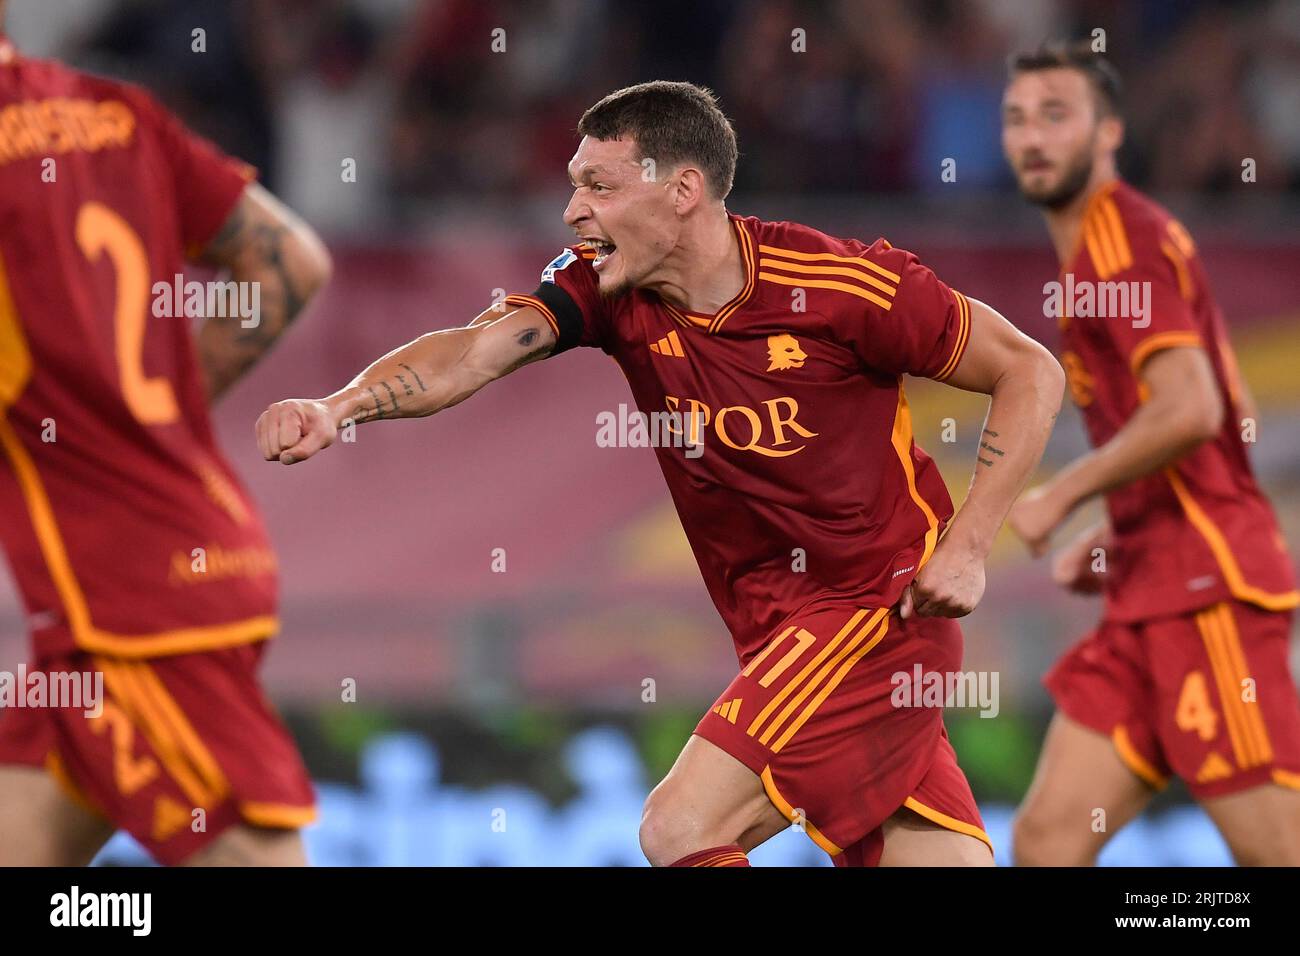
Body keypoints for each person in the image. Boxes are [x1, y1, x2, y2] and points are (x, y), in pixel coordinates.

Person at [258, 80, 1063, 867]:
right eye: (575, 187)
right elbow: (470, 351)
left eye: (598, 186)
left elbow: (1030, 372)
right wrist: (342, 407)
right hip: (776, 637)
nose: (575, 211)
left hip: (875, 612)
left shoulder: (842, 286)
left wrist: (967, 546)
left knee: (679, 831)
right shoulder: (603, 288)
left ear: (682, 190)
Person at [0, 11, 331, 866]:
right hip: (163, 564)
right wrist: (152, 421)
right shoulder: (118, 114)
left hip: (133, 609)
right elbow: (291, 260)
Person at [1002, 42, 1300, 865]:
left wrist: (1063, 496)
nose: (1032, 136)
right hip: (1149, 585)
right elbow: (1192, 423)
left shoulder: (1120, 241)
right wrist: (1121, 525)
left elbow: (1193, 406)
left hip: (1209, 594)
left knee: (1277, 855)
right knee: (1047, 839)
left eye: (1056, 116)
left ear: (1108, 133)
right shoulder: (1094, 251)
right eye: (1018, 118)